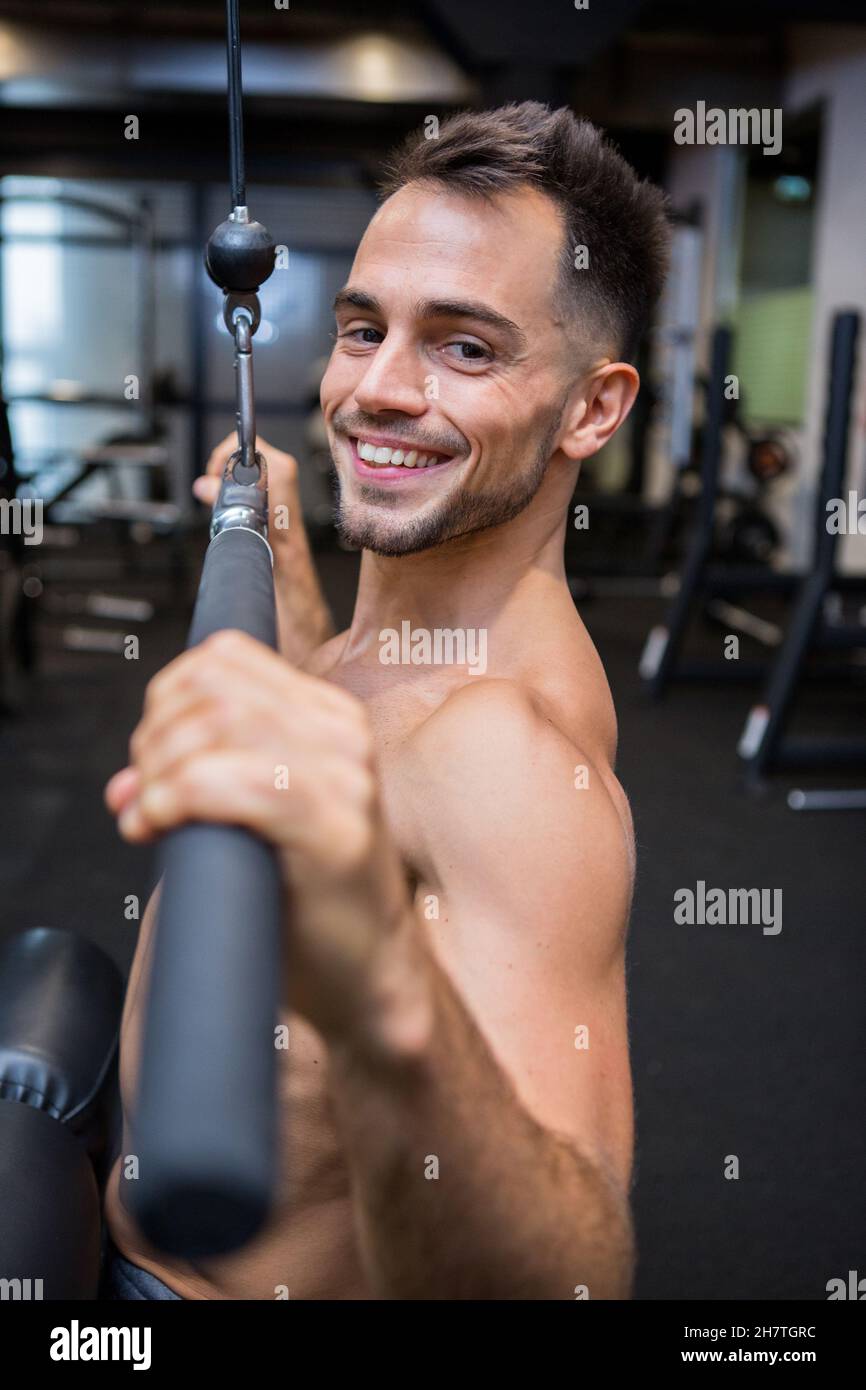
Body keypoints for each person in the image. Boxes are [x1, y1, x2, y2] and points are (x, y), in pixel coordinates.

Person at [103, 101, 670, 1300]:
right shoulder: (399, 664)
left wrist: (378, 983)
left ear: (591, 408)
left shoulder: (501, 756)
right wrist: (299, 612)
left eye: (465, 348)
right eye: (364, 329)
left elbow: (576, 1278)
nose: (379, 391)